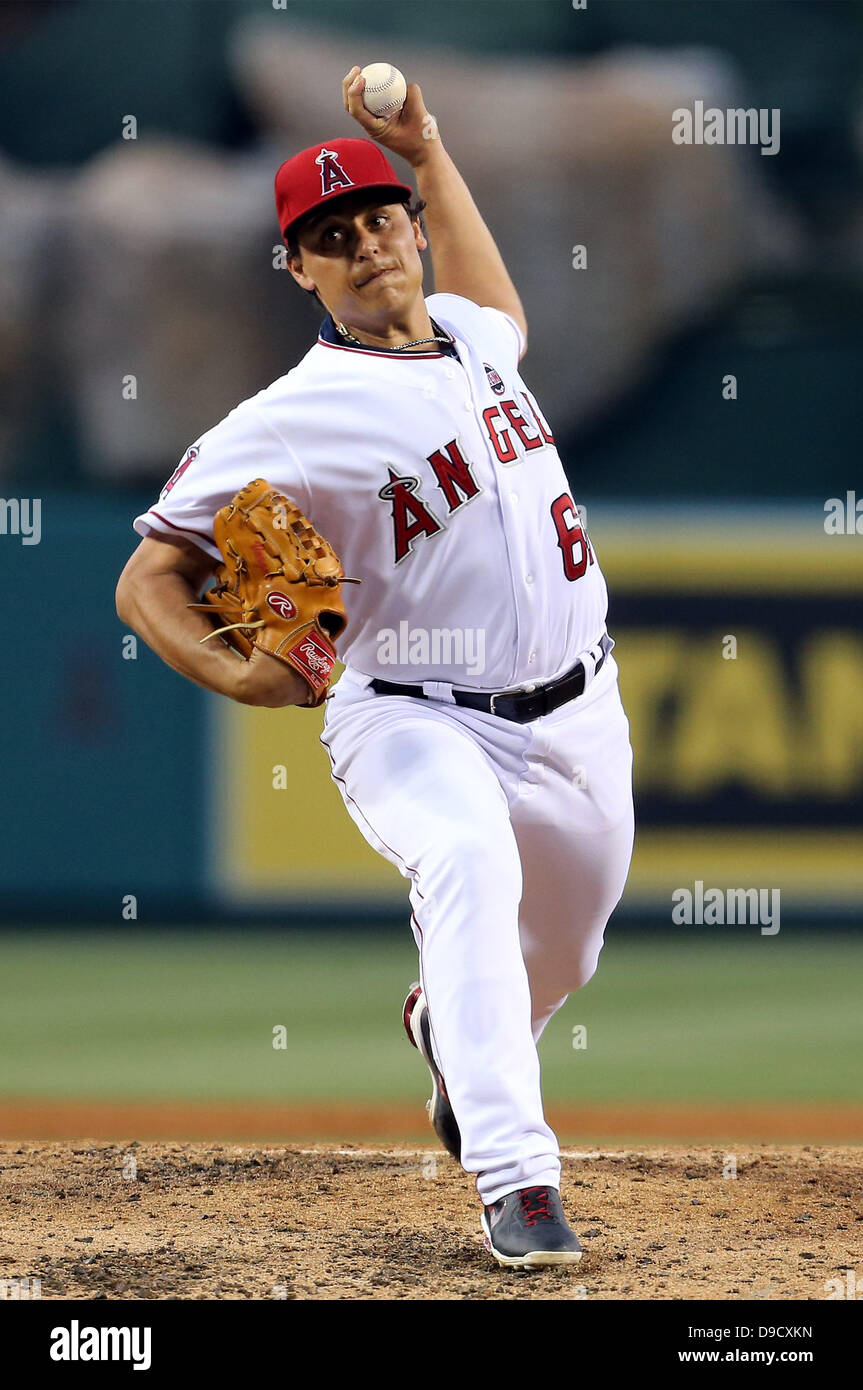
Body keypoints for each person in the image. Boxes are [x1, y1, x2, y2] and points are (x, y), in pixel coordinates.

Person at [116, 66, 634, 1269]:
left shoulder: (468, 336)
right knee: (463, 856)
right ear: (298, 269)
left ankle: (445, 1027)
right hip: (411, 713)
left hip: (579, 708)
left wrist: (431, 152)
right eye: (329, 237)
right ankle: (518, 1180)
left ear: (409, 228)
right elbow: (149, 578)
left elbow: (496, 298)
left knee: (564, 953)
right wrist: (244, 678)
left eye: (380, 219)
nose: (365, 245)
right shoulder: (291, 415)